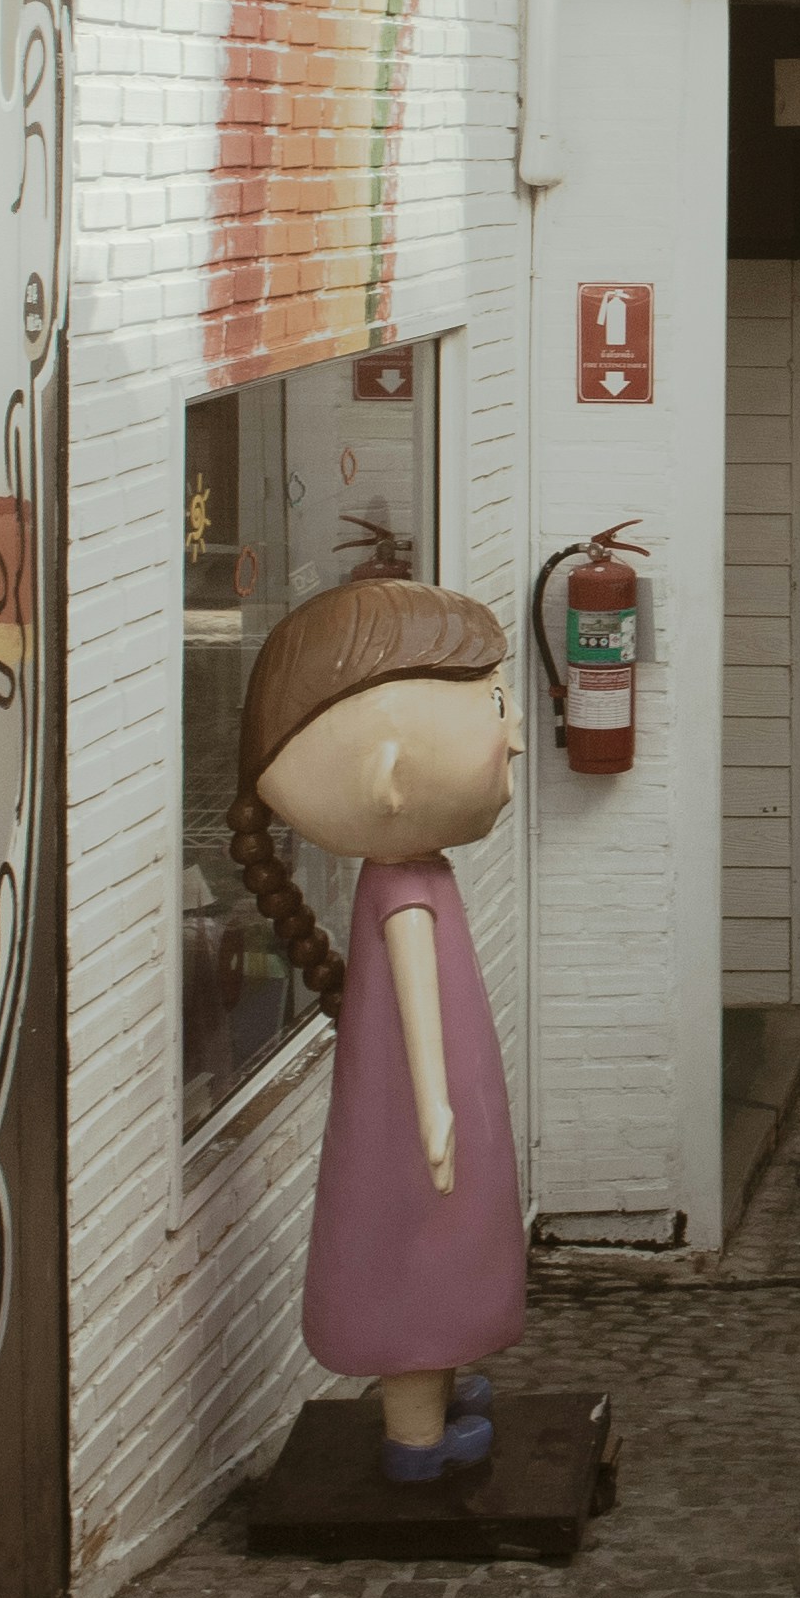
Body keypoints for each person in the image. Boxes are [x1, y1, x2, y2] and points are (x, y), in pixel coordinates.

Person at [229, 578, 527, 1482]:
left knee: (440, 1243)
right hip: (422, 1123)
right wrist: (436, 1113)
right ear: (391, 778)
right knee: (420, 1242)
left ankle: (436, 1378)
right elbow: (416, 1016)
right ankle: (416, 1436)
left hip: (433, 1108)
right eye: (494, 710)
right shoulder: (402, 896)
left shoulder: (412, 879)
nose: (510, 732)